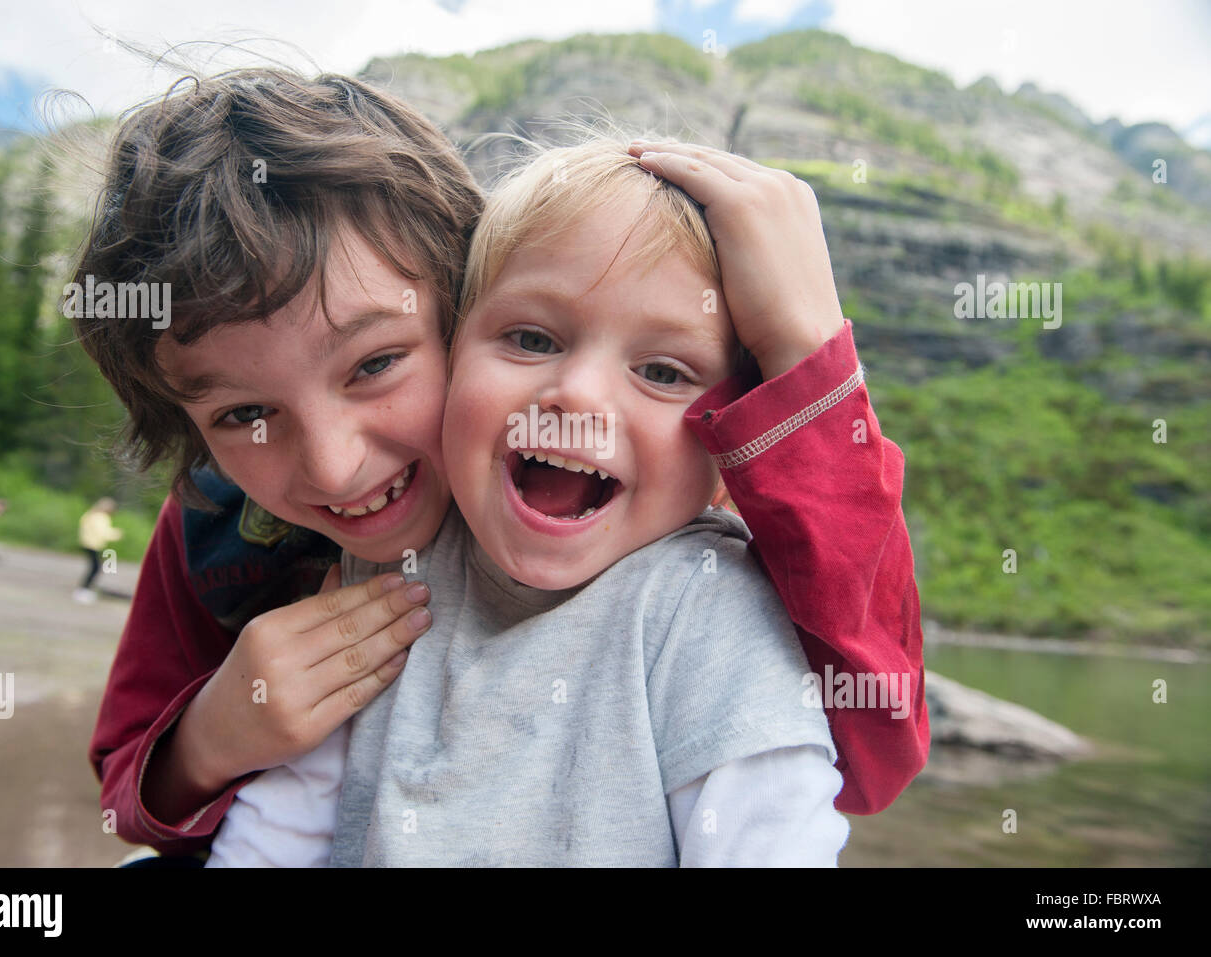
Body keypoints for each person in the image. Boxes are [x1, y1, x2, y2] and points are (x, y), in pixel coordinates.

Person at [73, 69, 926, 860]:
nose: (334, 469)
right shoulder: (216, 519)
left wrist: (808, 354)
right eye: (245, 414)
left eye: (375, 364)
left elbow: (872, 752)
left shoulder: (695, 590)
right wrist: (216, 736)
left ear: (460, 307)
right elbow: (134, 797)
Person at [208, 140, 848, 866]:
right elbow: (279, 829)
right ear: (453, 353)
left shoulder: (706, 609)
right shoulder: (388, 573)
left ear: (728, 448)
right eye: (532, 337)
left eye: (664, 371)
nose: (577, 393)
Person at [75, 497, 123, 603]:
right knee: (95, 568)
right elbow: (103, 533)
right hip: (93, 545)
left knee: (94, 567)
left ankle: (84, 589)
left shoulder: (90, 514)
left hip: (86, 543)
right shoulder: (101, 517)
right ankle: (84, 590)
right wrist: (117, 534)